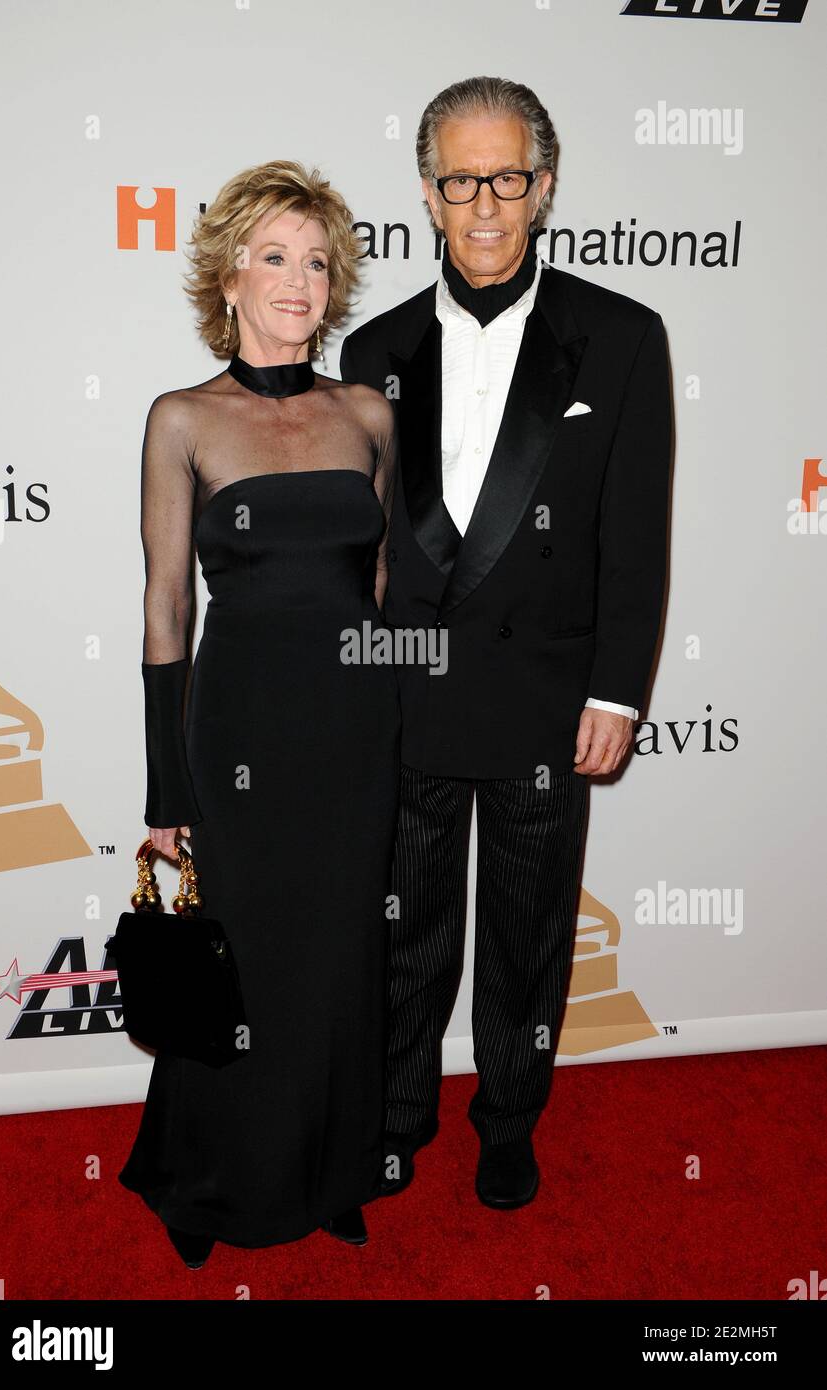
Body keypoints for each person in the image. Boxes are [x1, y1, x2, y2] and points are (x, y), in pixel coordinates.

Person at [340, 76, 672, 1209]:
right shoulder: (372, 349)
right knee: (406, 925)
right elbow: (358, 547)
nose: (484, 204)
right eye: (459, 180)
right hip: (410, 689)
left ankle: (509, 1119)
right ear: (427, 193)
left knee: (527, 932)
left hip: (546, 693)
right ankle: (397, 1114)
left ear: (544, 185)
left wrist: (616, 692)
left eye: (507, 178)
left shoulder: (620, 337)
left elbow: (634, 533)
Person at [118, 161, 401, 1266]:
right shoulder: (184, 419)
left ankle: (334, 1170)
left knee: (339, 955)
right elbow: (164, 605)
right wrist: (166, 785)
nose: (298, 281)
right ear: (229, 277)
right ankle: (206, 1183)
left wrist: (399, 715)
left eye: (316, 262)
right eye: (274, 257)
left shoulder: (367, 414)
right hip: (239, 729)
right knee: (235, 957)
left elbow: (381, 588)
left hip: (353, 732)